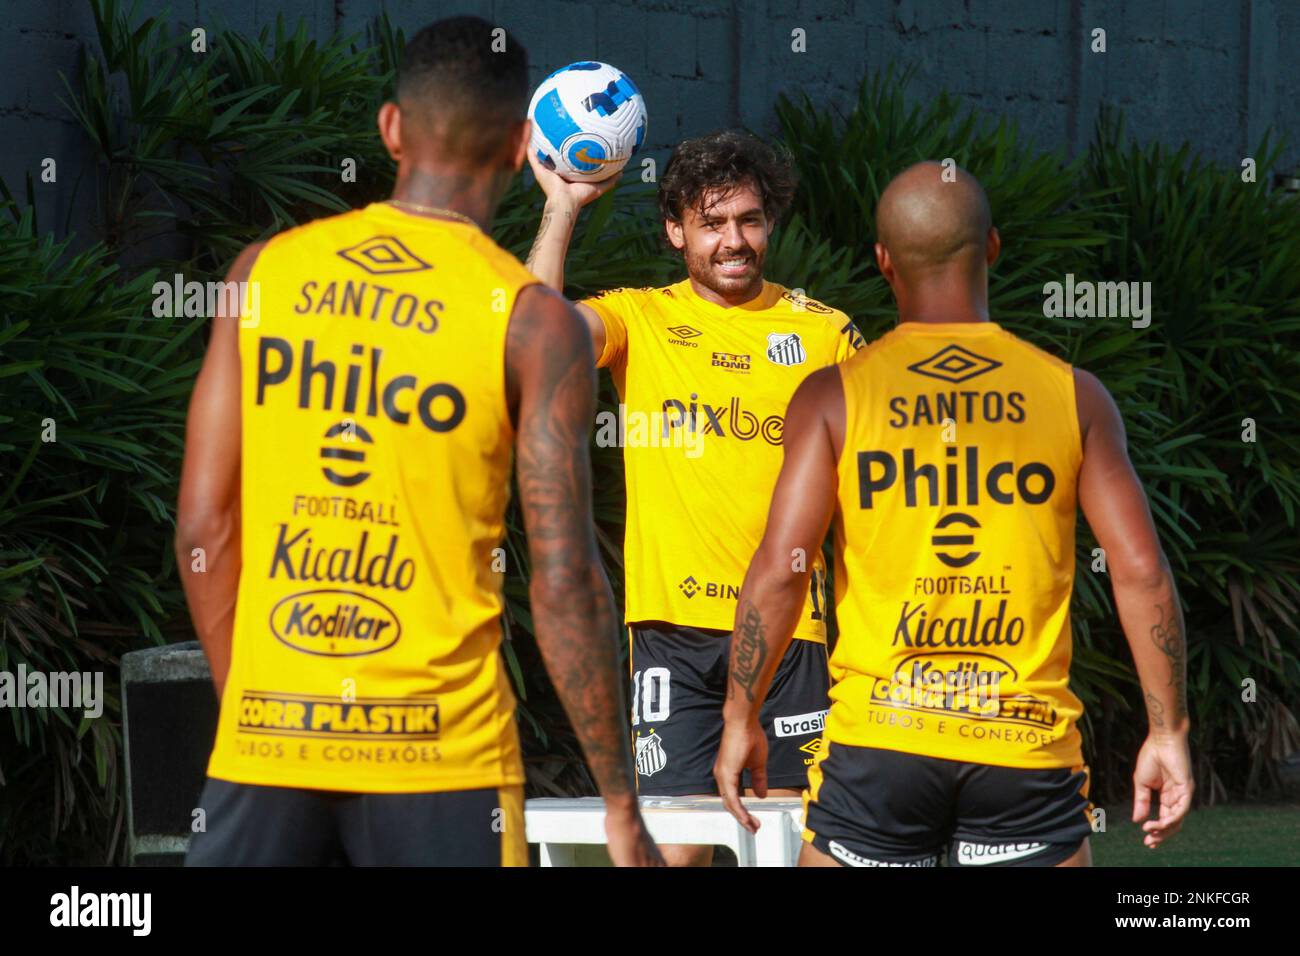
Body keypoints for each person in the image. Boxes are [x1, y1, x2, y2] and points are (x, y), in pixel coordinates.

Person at [175, 15, 660, 867]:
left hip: (269, 738)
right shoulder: (533, 323)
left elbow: (205, 530)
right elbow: (564, 578)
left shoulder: (263, 273)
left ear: (391, 129)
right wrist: (621, 802)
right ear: (520, 148)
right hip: (445, 761)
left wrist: (255, 705)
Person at [715, 161, 1193, 867]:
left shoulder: (833, 397)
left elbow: (780, 573)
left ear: (883, 262)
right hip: (1022, 744)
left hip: (880, 744)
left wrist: (738, 715)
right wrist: (1169, 729)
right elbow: (1141, 570)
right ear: (992, 248)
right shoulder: (1075, 396)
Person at [526, 129, 864, 866]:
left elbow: (878, 492)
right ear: (676, 231)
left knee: (791, 849)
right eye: (711, 223)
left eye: (748, 219)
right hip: (670, 638)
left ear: (769, 223)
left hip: (790, 640)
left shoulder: (825, 332)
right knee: (676, 856)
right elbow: (534, 340)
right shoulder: (640, 319)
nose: (733, 240)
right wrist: (562, 207)